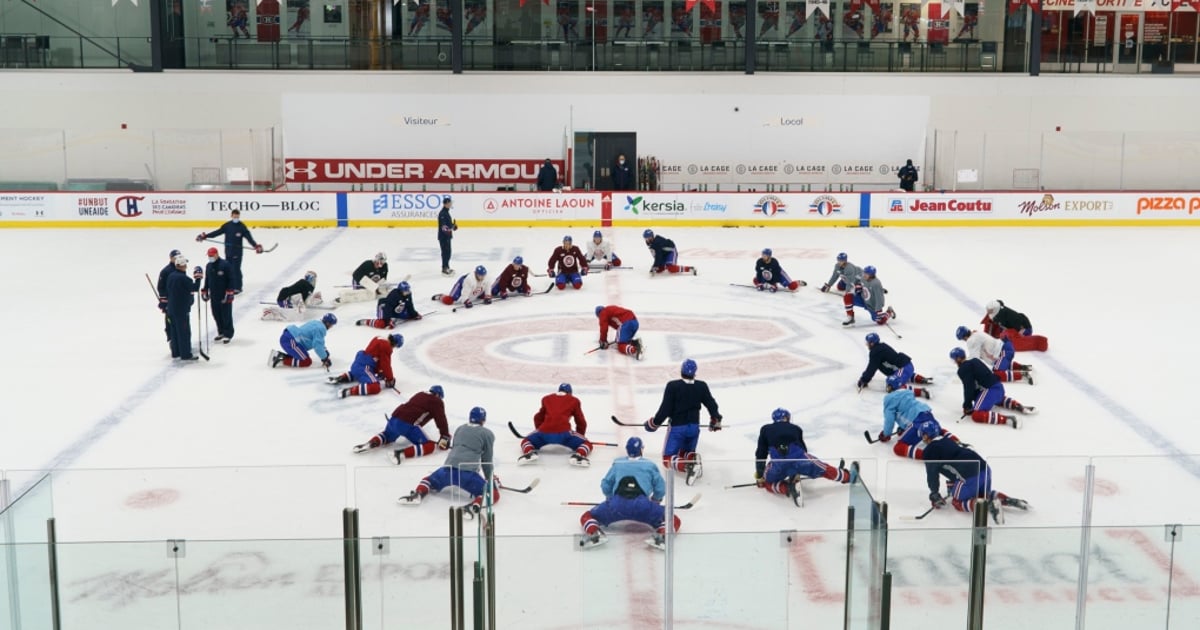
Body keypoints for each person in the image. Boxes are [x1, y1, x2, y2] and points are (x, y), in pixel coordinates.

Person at [918, 418, 1029, 525]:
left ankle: (988, 505)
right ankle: (1007, 500)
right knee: (982, 494)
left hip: (969, 476)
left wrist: (934, 493)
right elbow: (952, 463)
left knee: (957, 503)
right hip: (985, 469)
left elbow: (932, 473)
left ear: (926, 436)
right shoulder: (947, 440)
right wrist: (952, 484)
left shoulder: (929, 451)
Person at [578, 437, 679, 550]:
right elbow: (660, 488)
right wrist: (655, 501)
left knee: (587, 516)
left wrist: (610, 499)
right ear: (641, 449)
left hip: (616, 505)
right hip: (643, 506)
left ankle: (594, 532)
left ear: (627, 450)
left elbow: (606, 485)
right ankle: (662, 535)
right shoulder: (649, 465)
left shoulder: (618, 463)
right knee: (672, 518)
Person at [399, 406, 500, 514]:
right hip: (468, 475)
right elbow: (487, 460)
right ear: (483, 420)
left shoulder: (460, 428)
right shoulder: (487, 433)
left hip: (448, 471)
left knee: (428, 480)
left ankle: (418, 494)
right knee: (493, 494)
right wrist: (490, 480)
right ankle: (473, 506)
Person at [644, 359, 722, 486]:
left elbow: (665, 409)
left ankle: (688, 467)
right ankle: (692, 459)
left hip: (677, 428)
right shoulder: (701, 386)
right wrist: (715, 419)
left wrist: (653, 424)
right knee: (683, 453)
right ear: (695, 372)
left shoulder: (673, 386)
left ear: (681, 370)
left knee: (667, 458)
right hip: (694, 428)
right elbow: (711, 404)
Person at [754, 409, 855, 504]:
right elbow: (803, 450)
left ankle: (787, 488)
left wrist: (760, 476)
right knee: (824, 468)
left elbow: (760, 454)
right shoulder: (796, 428)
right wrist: (799, 469)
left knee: (767, 483)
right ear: (786, 418)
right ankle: (847, 476)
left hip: (779, 465)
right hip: (800, 460)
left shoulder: (765, 429)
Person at [352, 385, 450, 455]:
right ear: (439, 395)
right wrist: (445, 436)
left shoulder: (420, 394)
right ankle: (401, 454)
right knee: (429, 445)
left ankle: (372, 442)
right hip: (407, 424)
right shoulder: (436, 401)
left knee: (387, 434)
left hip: (394, 418)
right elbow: (441, 419)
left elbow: (417, 410)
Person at [951, 347, 1035, 428]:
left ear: (958, 359)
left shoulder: (963, 369)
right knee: (991, 398)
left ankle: (1008, 420)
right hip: (998, 388)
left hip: (990, 390)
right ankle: (1017, 405)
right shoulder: (975, 360)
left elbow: (969, 387)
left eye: (954, 359)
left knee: (977, 415)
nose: (954, 362)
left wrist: (967, 405)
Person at [878, 384, 963, 460]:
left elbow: (889, 421)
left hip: (916, 422)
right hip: (926, 413)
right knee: (938, 430)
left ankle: (927, 455)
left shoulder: (888, 401)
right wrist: (904, 428)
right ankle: (956, 441)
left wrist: (886, 434)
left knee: (898, 448)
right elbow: (909, 406)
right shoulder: (906, 391)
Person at [518, 383, 593, 467]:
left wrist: (539, 432)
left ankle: (529, 452)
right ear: (570, 392)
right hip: (564, 434)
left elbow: (537, 417)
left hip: (544, 432)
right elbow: (580, 421)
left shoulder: (546, 399)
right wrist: (580, 437)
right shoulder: (574, 400)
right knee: (587, 444)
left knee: (525, 441)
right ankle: (578, 455)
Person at [195, 209, 262, 293]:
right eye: (234, 216)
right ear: (231, 216)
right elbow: (217, 232)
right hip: (228, 251)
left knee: (236, 269)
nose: (236, 218)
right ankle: (230, 285)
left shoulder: (242, 227)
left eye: (237, 217)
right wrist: (206, 236)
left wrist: (255, 246)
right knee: (228, 269)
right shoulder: (227, 226)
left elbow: (249, 238)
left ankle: (238, 287)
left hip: (237, 252)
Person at [329, 334, 403, 398]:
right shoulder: (386, 346)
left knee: (364, 374)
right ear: (395, 344)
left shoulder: (379, 338)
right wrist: (390, 379)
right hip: (365, 367)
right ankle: (349, 391)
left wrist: (382, 373)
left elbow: (376, 359)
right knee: (375, 386)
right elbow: (385, 365)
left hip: (358, 365)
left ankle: (343, 377)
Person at [859, 333, 931, 398]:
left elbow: (871, 368)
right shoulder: (882, 346)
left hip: (903, 367)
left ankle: (920, 392)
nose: (867, 344)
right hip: (906, 366)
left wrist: (864, 380)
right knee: (898, 376)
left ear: (871, 343)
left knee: (892, 386)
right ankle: (920, 379)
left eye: (867, 343)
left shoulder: (875, 352)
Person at [955, 326, 1032, 384]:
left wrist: (964, 365)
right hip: (1005, 348)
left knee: (996, 373)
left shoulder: (972, 340)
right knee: (997, 364)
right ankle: (1023, 367)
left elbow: (974, 358)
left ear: (964, 337)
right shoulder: (975, 334)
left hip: (1003, 351)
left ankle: (1023, 374)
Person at [166, 254, 201, 361]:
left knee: (174, 331)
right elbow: (195, 288)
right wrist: (198, 278)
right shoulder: (184, 278)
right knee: (184, 332)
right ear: (182, 265)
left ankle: (176, 352)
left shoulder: (171, 276)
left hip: (171, 309)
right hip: (181, 310)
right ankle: (185, 354)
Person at [269, 313, 336, 368]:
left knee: (303, 356)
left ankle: (282, 356)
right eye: (332, 325)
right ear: (328, 323)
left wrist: (324, 350)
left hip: (290, 338)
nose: (331, 327)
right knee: (306, 361)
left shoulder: (316, 323)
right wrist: (324, 358)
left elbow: (317, 340)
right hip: (290, 341)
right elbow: (317, 346)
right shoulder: (321, 328)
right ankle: (280, 359)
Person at [981, 299, 1048, 352]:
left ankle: (1039, 341)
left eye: (990, 310)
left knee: (1012, 343)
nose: (988, 311)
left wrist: (1014, 336)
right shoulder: (997, 311)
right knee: (991, 324)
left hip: (1024, 329)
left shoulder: (1009, 317)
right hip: (1009, 326)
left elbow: (1018, 327)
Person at [202, 247, 235, 343]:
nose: (210, 257)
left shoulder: (225, 265)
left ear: (216, 254)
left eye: (212, 255)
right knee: (216, 314)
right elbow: (207, 279)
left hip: (224, 294)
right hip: (214, 295)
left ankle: (228, 334)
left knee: (226, 315)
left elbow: (231, 279)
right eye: (209, 256)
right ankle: (221, 332)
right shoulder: (208, 266)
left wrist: (230, 292)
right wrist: (205, 290)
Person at [156, 249, 182, 345]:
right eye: (175, 258)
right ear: (171, 258)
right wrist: (164, 301)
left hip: (179, 301)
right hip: (170, 301)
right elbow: (161, 287)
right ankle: (171, 339)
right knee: (170, 321)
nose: (177, 259)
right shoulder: (166, 271)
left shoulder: (181, 268)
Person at [438, 196, 458, 275]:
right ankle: (444, 268)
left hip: (447, 236)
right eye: (449, 203)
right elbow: (443, 227)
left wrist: (453, 225)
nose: (450, 204)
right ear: (446, 204)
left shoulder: (446, 212)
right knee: (445, 252)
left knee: (448, 252)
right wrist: (451, 228)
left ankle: (447, 266)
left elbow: (447, 224)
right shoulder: (443, 213)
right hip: (444, 237)